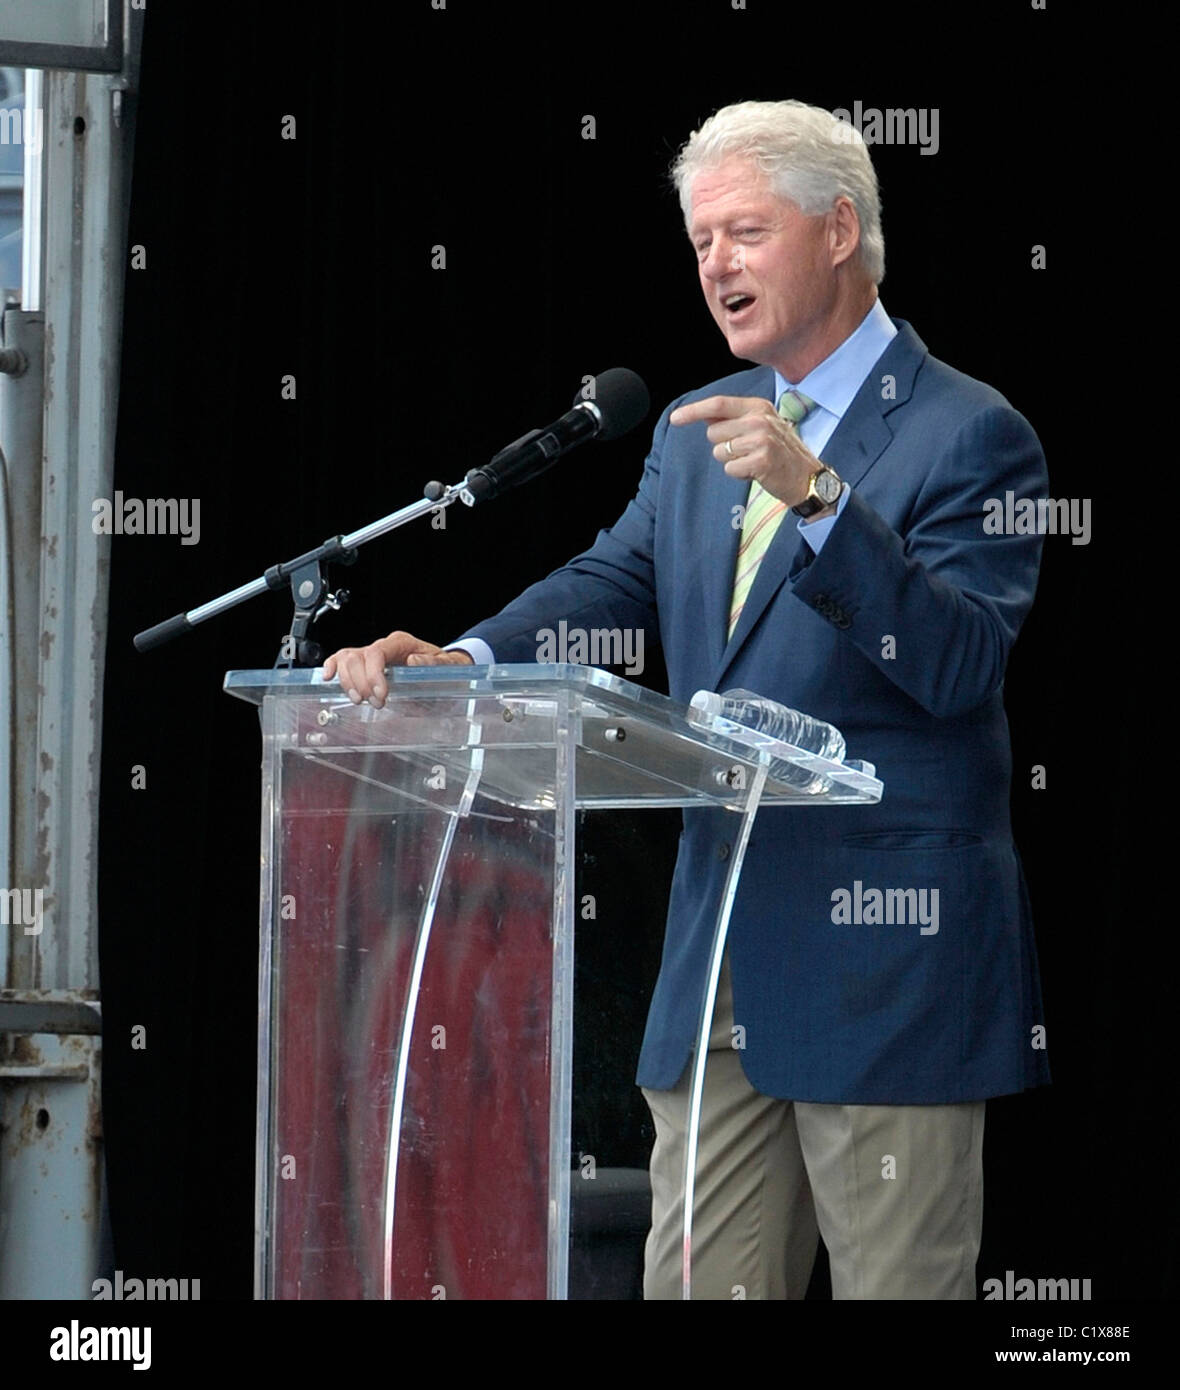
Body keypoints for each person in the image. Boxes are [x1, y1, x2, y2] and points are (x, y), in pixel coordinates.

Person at [324, 99, 1050, 1300]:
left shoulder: (970, 433)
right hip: (720, 959)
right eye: (700, 238)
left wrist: (820, 500)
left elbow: (960, 660)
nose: (715, 263)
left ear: (837, 230)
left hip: (885, 965)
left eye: (744, 232)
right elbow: (613, 582)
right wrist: (469, 659)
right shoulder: (693, 431)